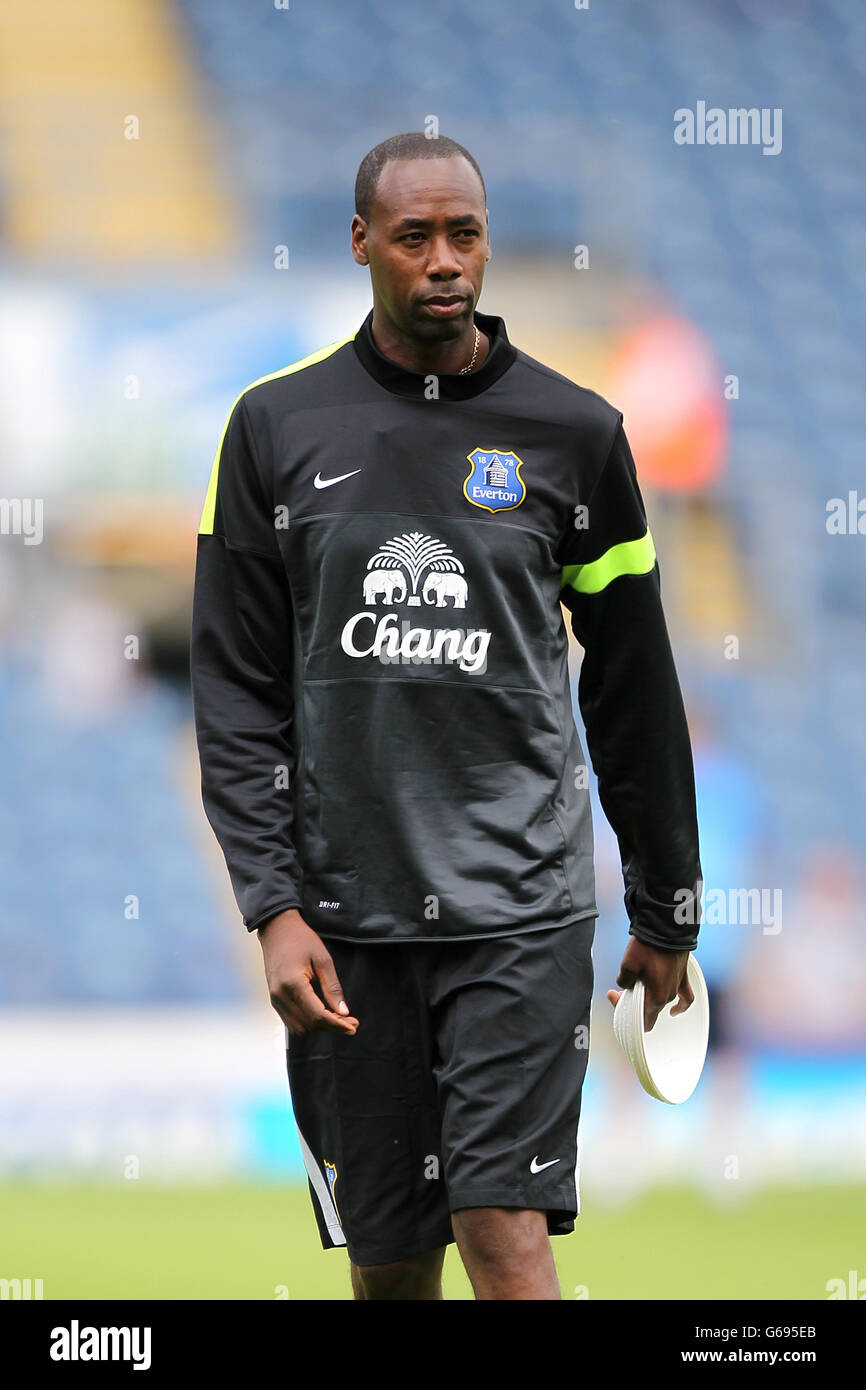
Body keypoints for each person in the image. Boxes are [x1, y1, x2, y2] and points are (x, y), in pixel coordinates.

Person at [190, 131, 702, 1301]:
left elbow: (630, 685)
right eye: (413, 236)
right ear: (362, 242)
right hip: (344, 920)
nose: (442, 261)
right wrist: (270, 903)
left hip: (517, 910)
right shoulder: (274, 431)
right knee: (387, 1266)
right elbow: (236, 689)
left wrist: (666, 903)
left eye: (462, 234)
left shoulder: (574, 436)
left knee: (501, 1229)